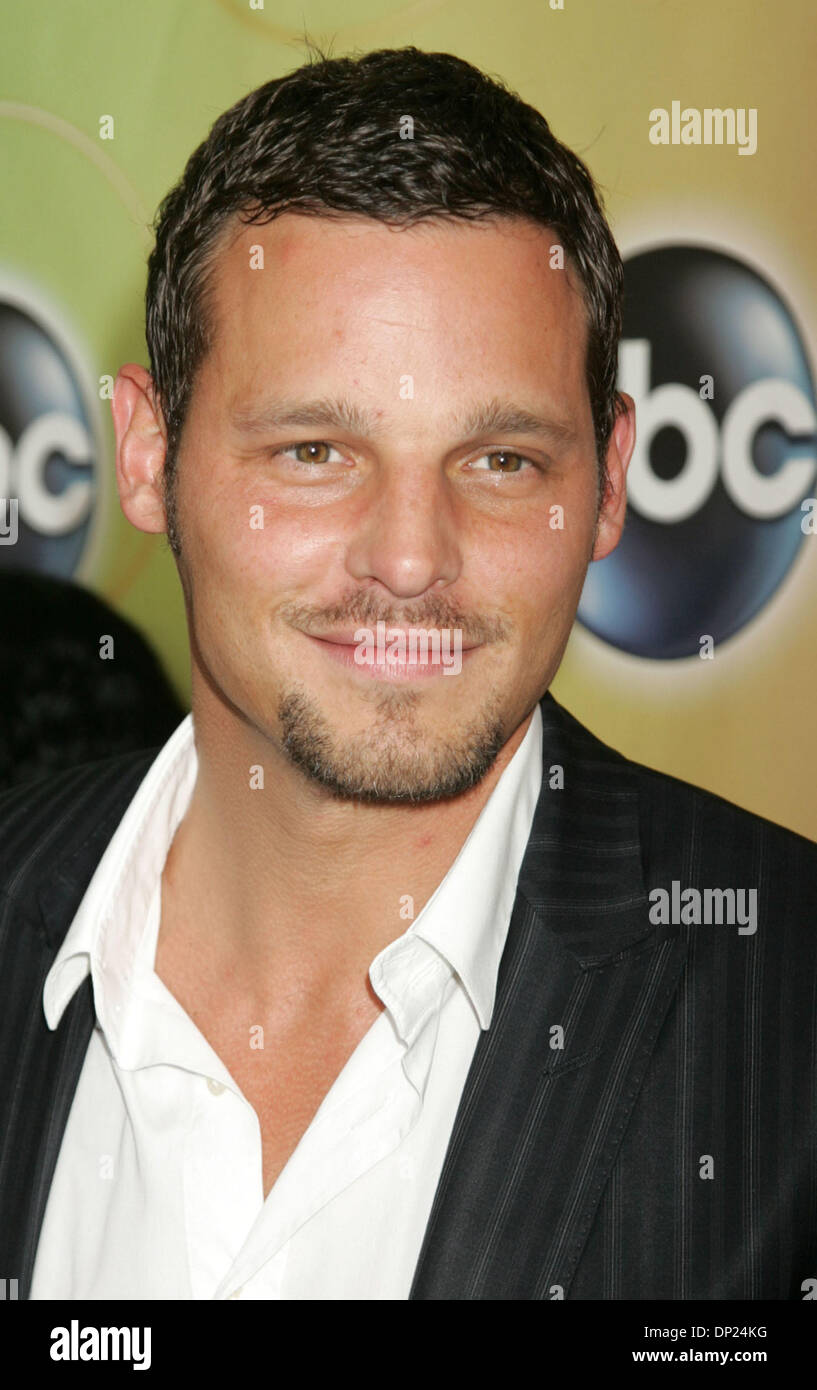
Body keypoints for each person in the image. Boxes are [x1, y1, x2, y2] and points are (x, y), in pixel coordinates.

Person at [1, 45, 814, 1302]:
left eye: (500, 461)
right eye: (315, 449)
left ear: (606, 481)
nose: (409, 559)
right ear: (148, 454)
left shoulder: (787, 1011)